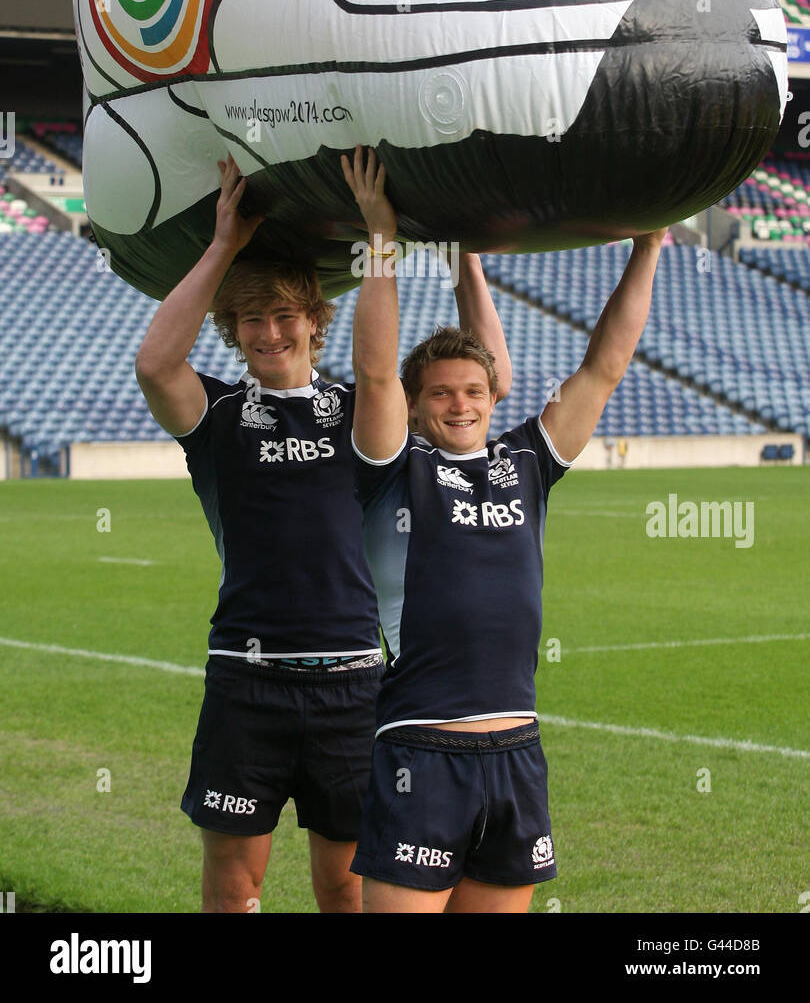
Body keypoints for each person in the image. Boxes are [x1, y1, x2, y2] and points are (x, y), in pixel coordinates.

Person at [135, 153, 512, 913]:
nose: (270, 332)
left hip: (353, 682)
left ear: (315, 320)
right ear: (233, 330)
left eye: (285, 316)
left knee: (344, 888)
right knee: (234, 887)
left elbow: (476, 380)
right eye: (252, 318)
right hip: (247, 677)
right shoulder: (218, 417)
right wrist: (224, 246)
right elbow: (154, 364)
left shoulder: (358, 411)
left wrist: (441, 254)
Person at [341, 145, 667, 914]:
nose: (460, 404)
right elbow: (378, 371)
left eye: (473, 391)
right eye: (441, 393)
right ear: (415, 406)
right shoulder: (393, 468)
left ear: (494, 398)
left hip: (518, 750)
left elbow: (604, 368)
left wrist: (650, 245)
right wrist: (381, 235)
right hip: (422, 747)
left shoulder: (526, 461)